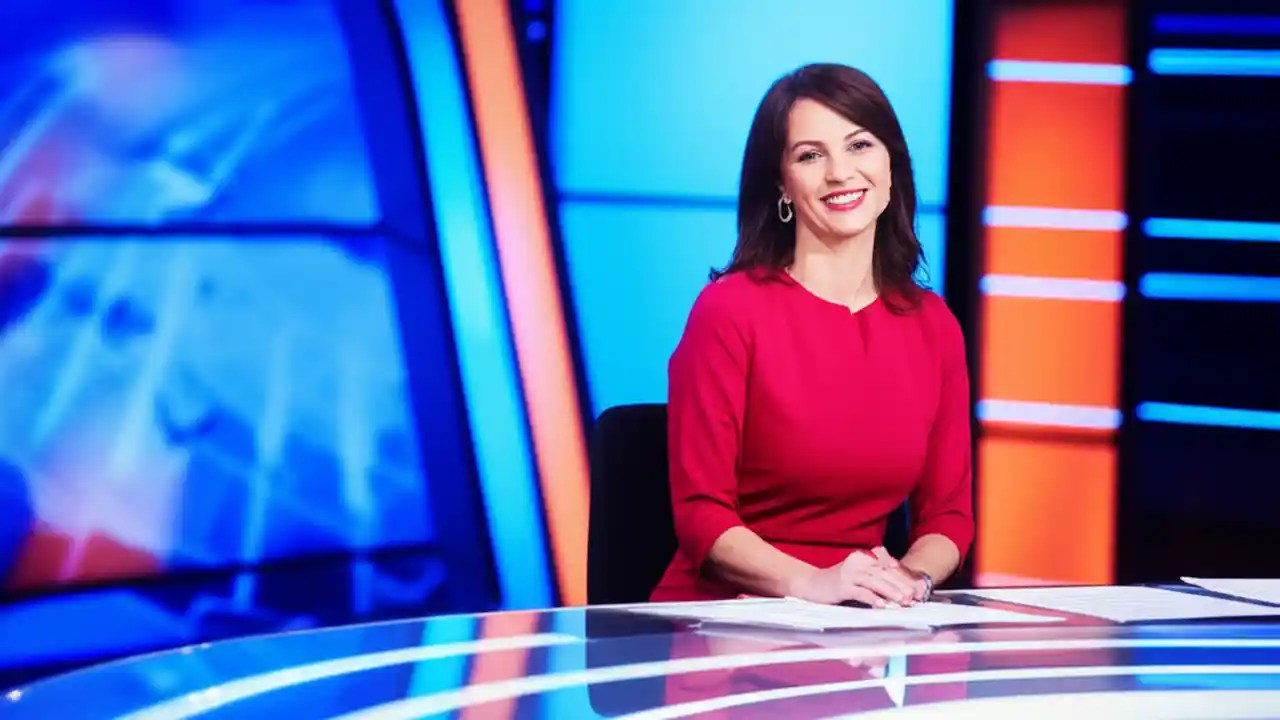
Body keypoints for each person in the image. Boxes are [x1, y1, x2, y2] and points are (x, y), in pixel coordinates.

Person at [650, 63, 974, 608]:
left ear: (891, 165)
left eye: (859, 145)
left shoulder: (933, 325)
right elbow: (701, 515)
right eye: (810, 155)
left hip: (859, 627)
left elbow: (948, 517)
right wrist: (810, 584)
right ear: (781, 183)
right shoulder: (729, 311)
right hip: (724, 622)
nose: (840, 172)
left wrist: (910, 582)